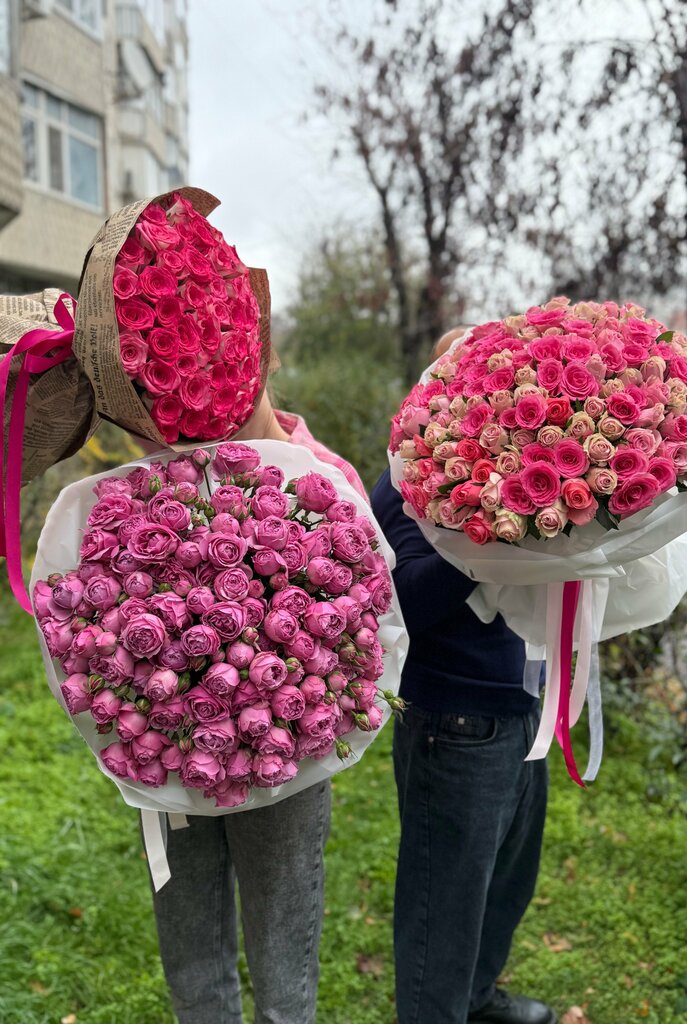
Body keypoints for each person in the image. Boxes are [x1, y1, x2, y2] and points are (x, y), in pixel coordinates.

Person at [144, 388, 366, 1024]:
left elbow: (367, 620)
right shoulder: (159, 477)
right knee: (187, 923)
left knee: (282, 925)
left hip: (285, 754)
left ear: (261, 363)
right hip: (170, 744)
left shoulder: (324, 476)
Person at [370, 328, 556, 1024]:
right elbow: (402, 602)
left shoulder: (517, 465)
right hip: (455, 721)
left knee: (506, 883)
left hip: (521, 708)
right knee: (441, 910)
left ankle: (476, 998)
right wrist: (487, 536)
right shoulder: (408, 481)